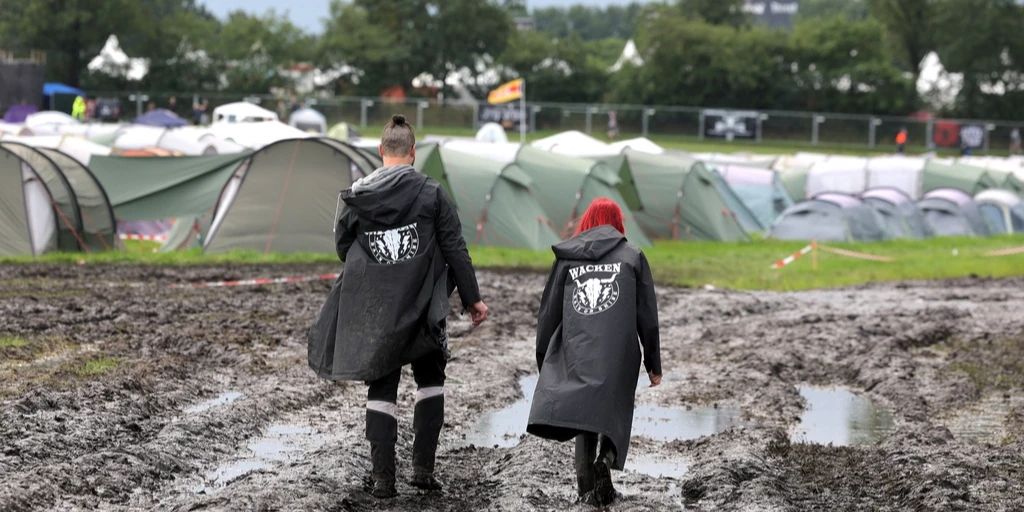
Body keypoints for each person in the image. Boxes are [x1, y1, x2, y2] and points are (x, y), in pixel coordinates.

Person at [307, 114, 489, 499]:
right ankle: (422, 471)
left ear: (380, 150)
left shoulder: (357, 194)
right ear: (412, 152)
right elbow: (455, 248)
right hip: (425, 307)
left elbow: (343, 248)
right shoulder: (432, 193)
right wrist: (473, 299)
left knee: (383, 386)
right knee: (430, 381)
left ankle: (383, 479)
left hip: (378, 309)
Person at [527, 197, 662, 506]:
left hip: (578, 350)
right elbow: (647, 316)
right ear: (619, 223)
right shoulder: (633, 257)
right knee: (613, 410)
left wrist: (544, 361)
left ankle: (587, 494)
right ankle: (608, 456)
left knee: (583, 420)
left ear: (586, 221)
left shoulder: (567, 258)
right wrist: (654, 363)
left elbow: (548, 315)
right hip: (619, 352)